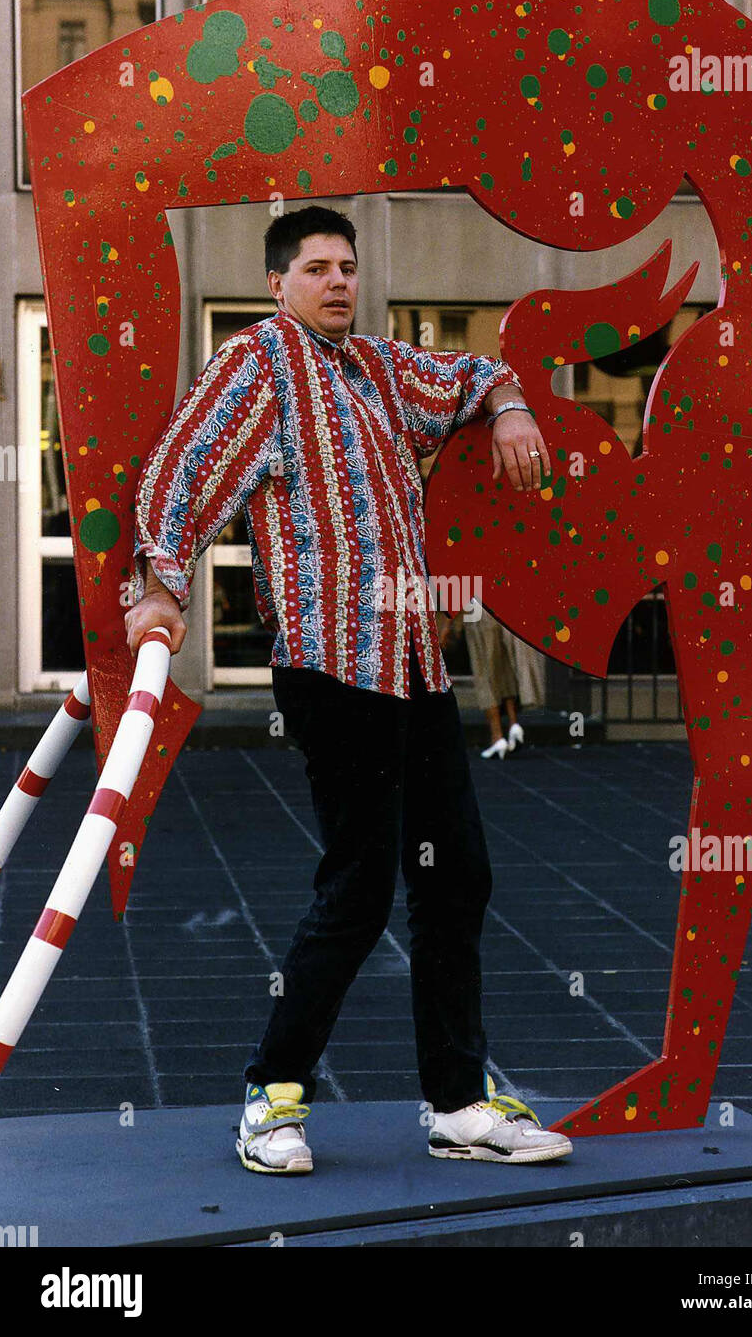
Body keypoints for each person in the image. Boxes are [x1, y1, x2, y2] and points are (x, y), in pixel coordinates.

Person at [124, 204, 572, 1173]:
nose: (336, 281)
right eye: (316, 268)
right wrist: (158, 583)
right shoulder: (259, 365)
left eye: (346, 267)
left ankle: (456, 1101)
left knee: (458, 874)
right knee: (360, 887)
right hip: (331, 667)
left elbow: (473, 371)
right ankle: (269, 1097)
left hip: (412, 665)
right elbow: (181, 464)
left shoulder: (376, 366)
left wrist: (509, 405)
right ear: (278, 283)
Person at [439, 608, 546, 759]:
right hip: (505, 609)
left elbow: (464, 586)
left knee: (485, 671)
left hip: (479, 610)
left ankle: (497, 736)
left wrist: (447, 624)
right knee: (505, 668)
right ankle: (513, 723)